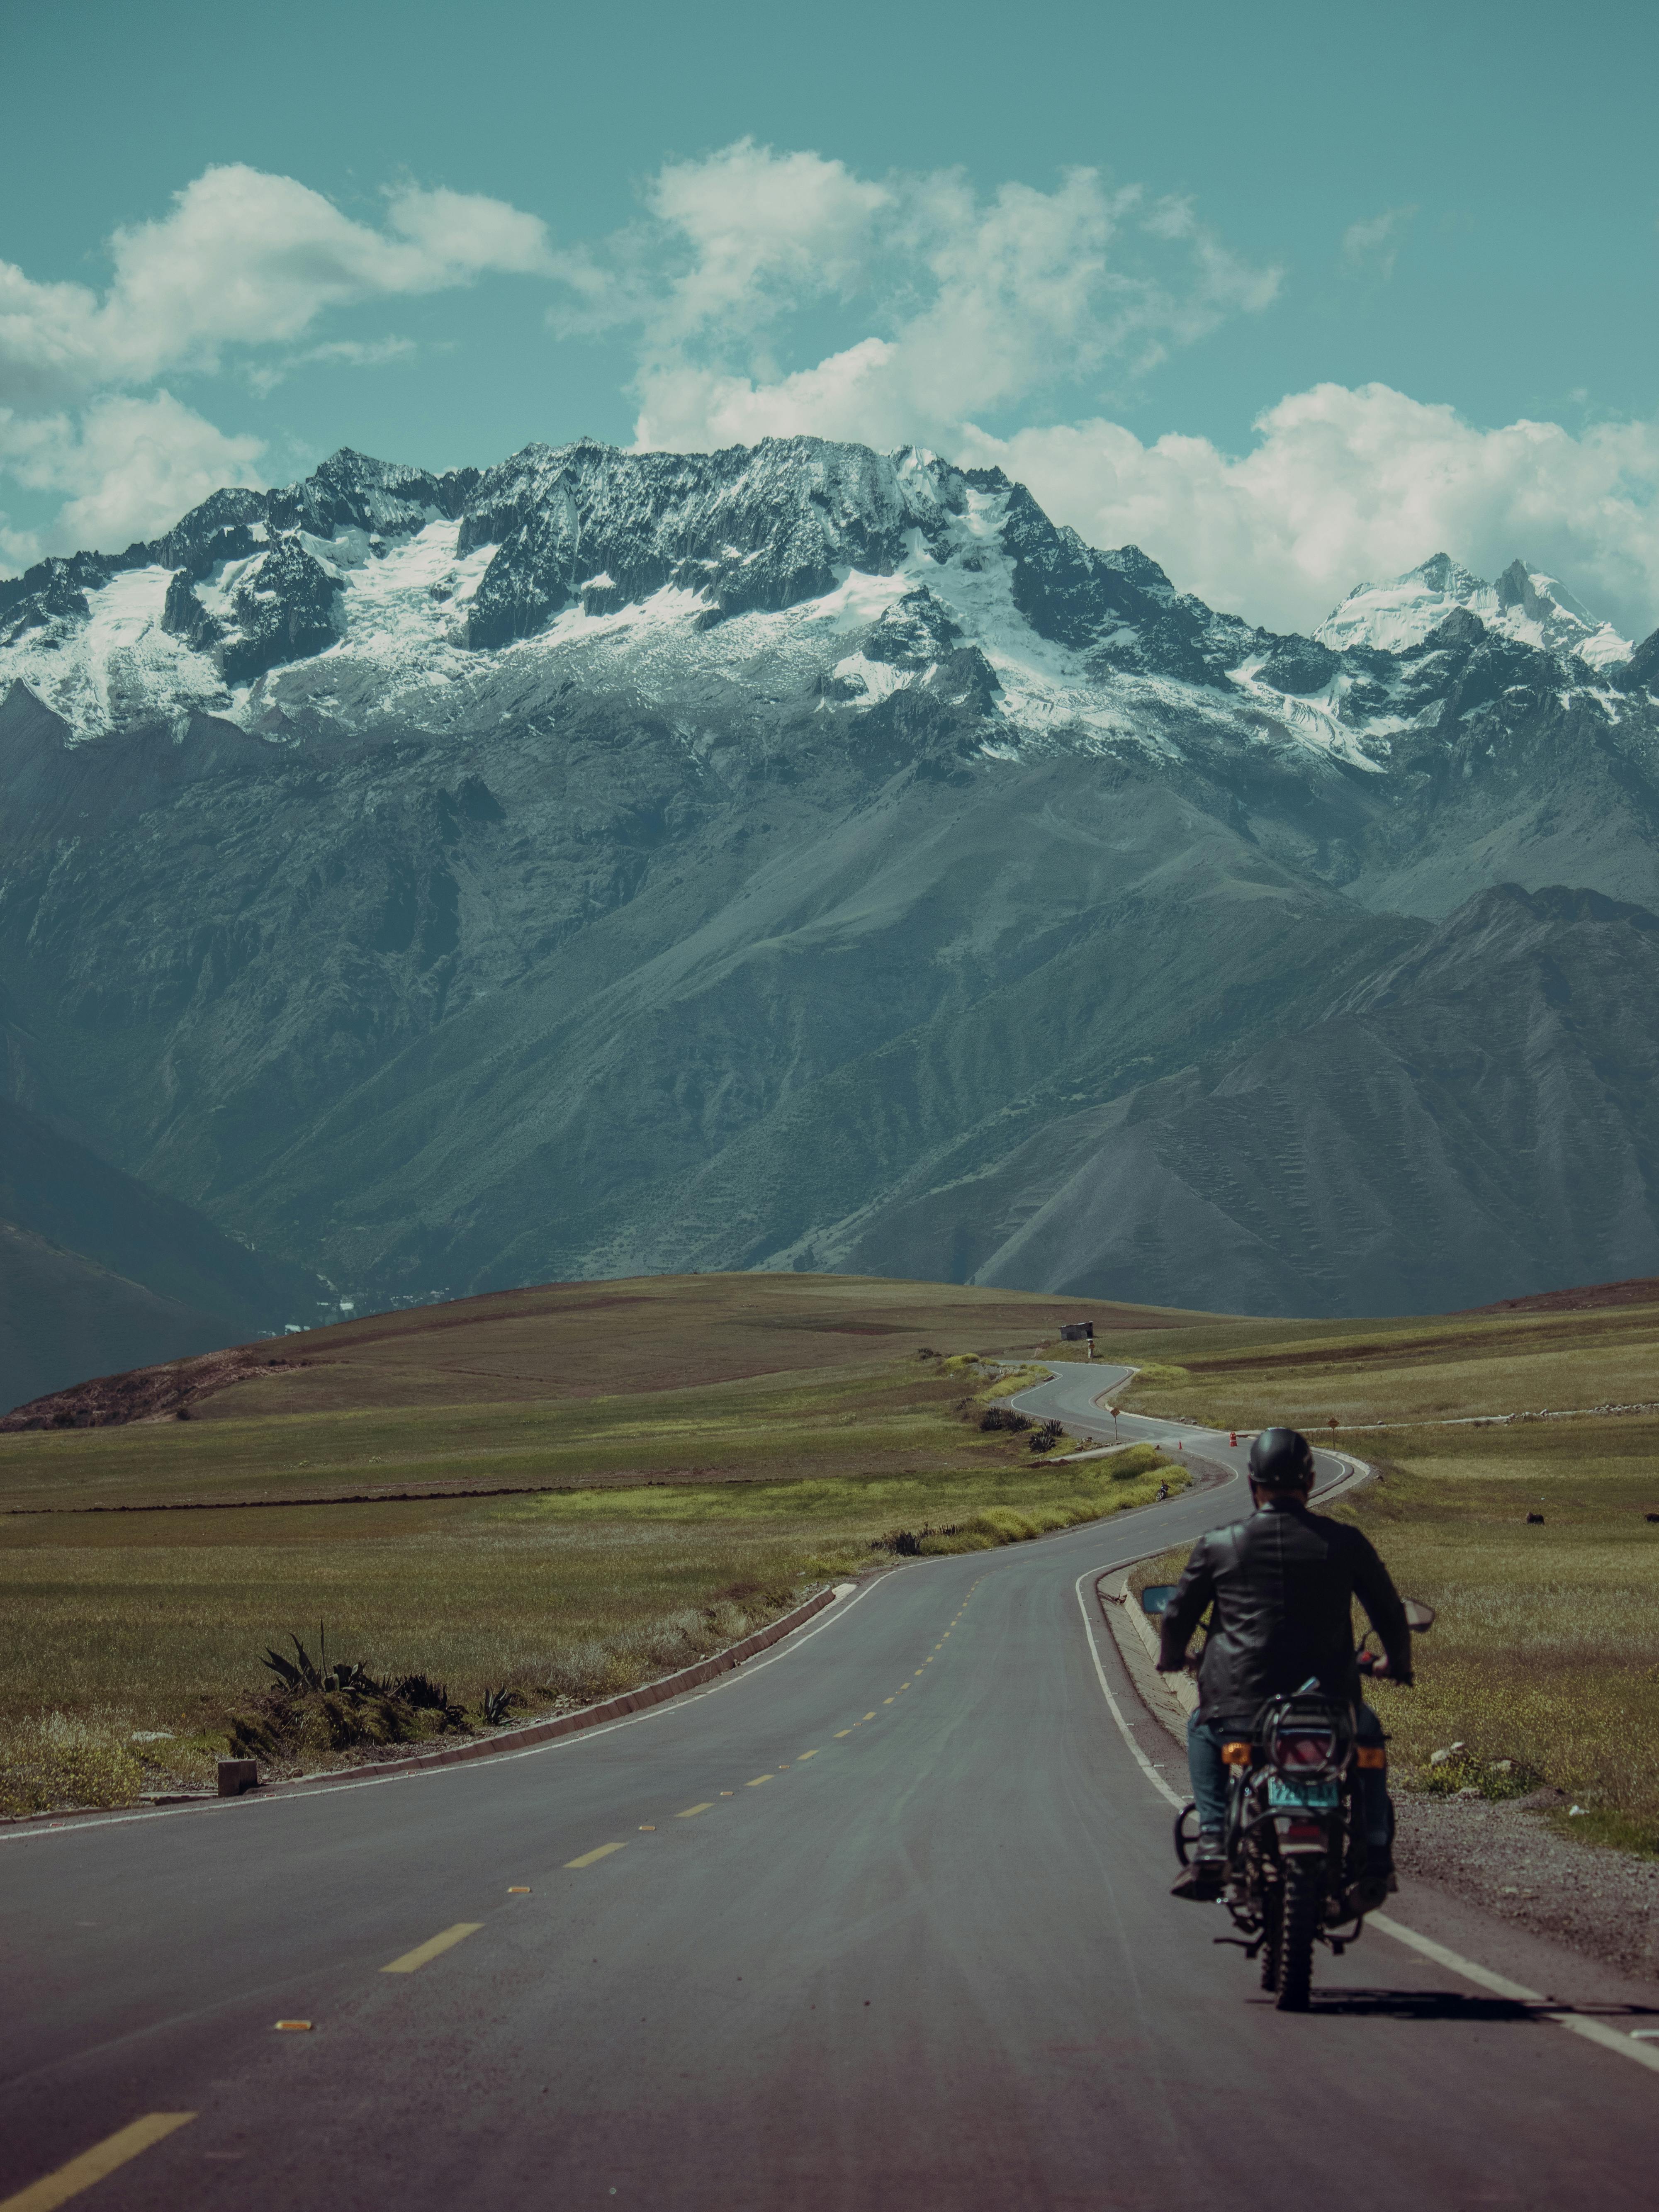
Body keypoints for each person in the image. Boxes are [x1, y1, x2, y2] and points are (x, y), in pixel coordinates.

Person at [1156, 1425, 1413, 1908]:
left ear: (1253, 1485)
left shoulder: (1220, 1544)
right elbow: (1388, 1611)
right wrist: (1395, 1664)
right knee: (1367, 1741)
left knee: (1200, 1728)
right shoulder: (1344, 1542)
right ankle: (1375, 1852)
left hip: (1240, 1711)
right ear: (1310, 1482)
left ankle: (1212, 1839)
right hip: (1331, 1705)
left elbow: (1176, 1616)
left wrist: (1173, 1658)